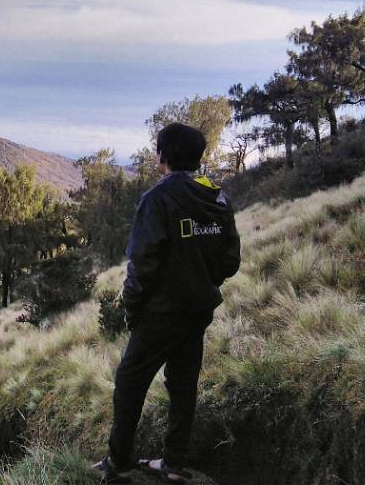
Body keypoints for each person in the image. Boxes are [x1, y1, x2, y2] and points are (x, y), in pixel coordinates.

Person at [93, 122, 241, 484]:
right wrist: (203, 281)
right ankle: (174, 464)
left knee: (130, 383)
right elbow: (230, 260)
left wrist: (132, 308)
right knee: (183, 384)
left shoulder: (157, 198)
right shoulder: (217, 198)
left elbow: (142, 263)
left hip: (160, 313)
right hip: (197, 312)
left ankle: (119, 462)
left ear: (162, 155)